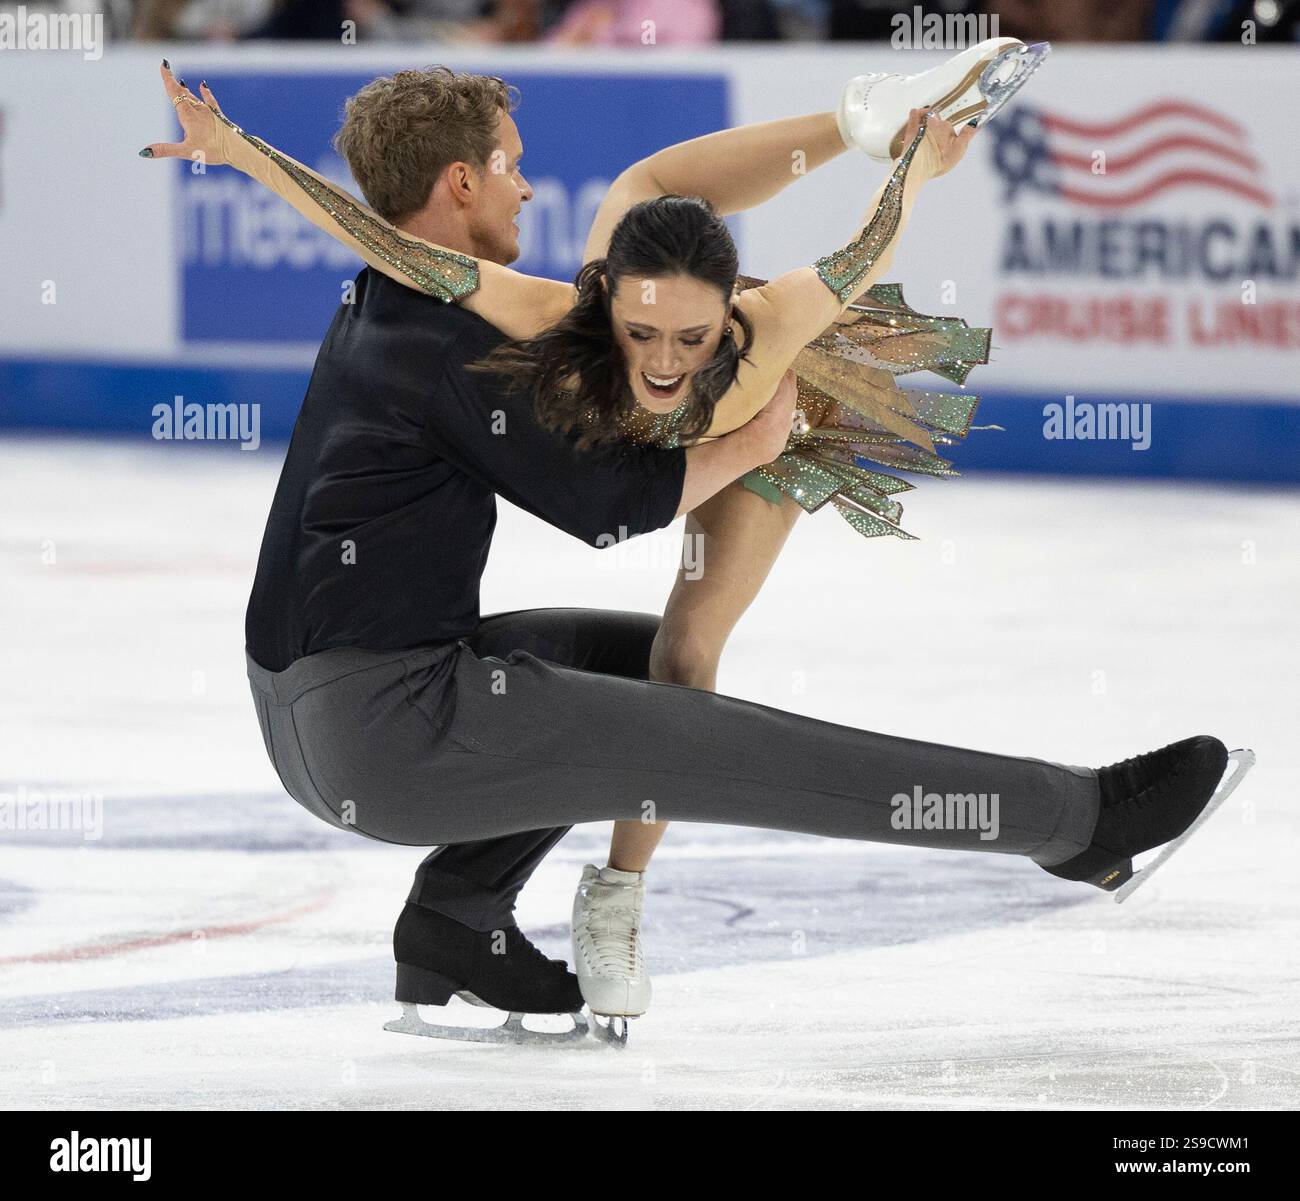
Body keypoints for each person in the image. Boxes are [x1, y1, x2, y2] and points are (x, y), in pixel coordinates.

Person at [142, 61, 1230, 1042]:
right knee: (722, 746)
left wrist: (241, 151)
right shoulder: (457, 349)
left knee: (638, 660)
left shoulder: (403, 289)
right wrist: (751, 440)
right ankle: (1079, 822)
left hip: (316, 702)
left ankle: (454, 921)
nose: (528, 188)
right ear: (461, 185)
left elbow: (673, 195)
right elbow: (613, 510)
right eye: (511, 169)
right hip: (384, 734)